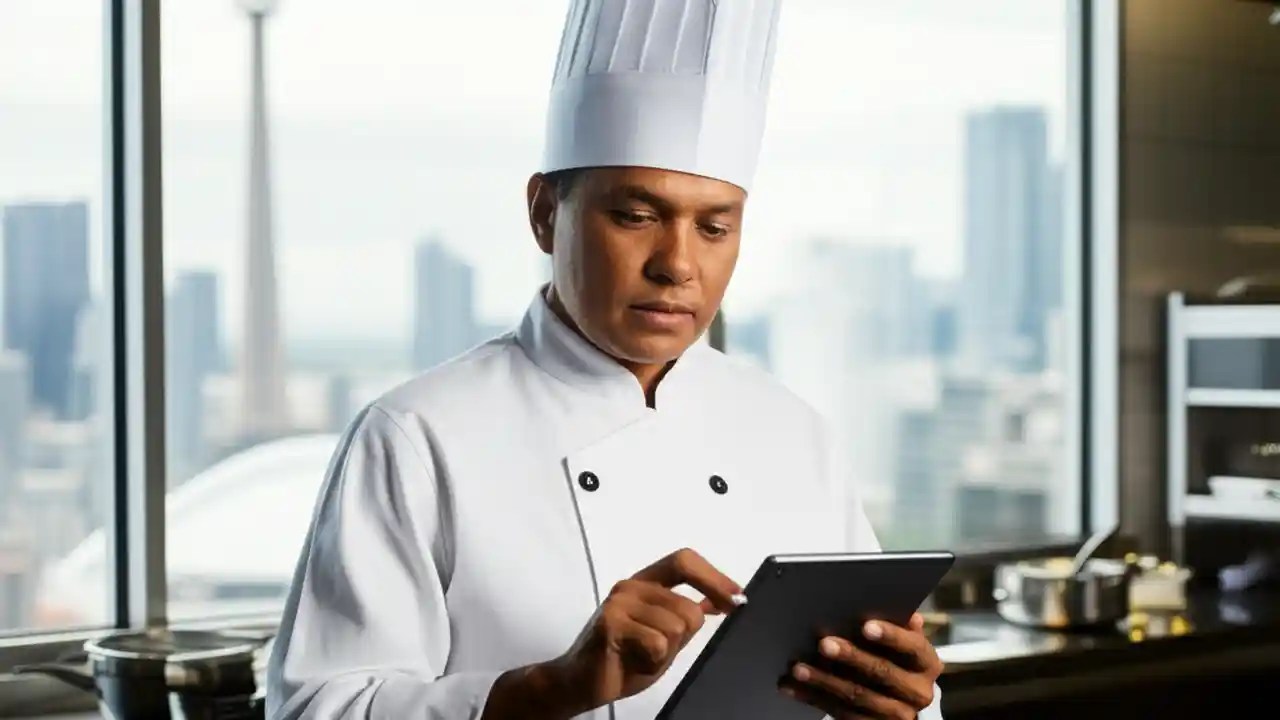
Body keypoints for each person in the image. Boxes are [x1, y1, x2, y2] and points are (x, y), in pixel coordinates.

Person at [266, 1, 946, 718]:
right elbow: (318, 707)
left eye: (715, 226)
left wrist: (901, 702)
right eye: (636, 216)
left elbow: (869, 686)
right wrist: (548, 688)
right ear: (543, 213)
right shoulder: (417, 435)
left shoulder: (793, 432)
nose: (678, 265)